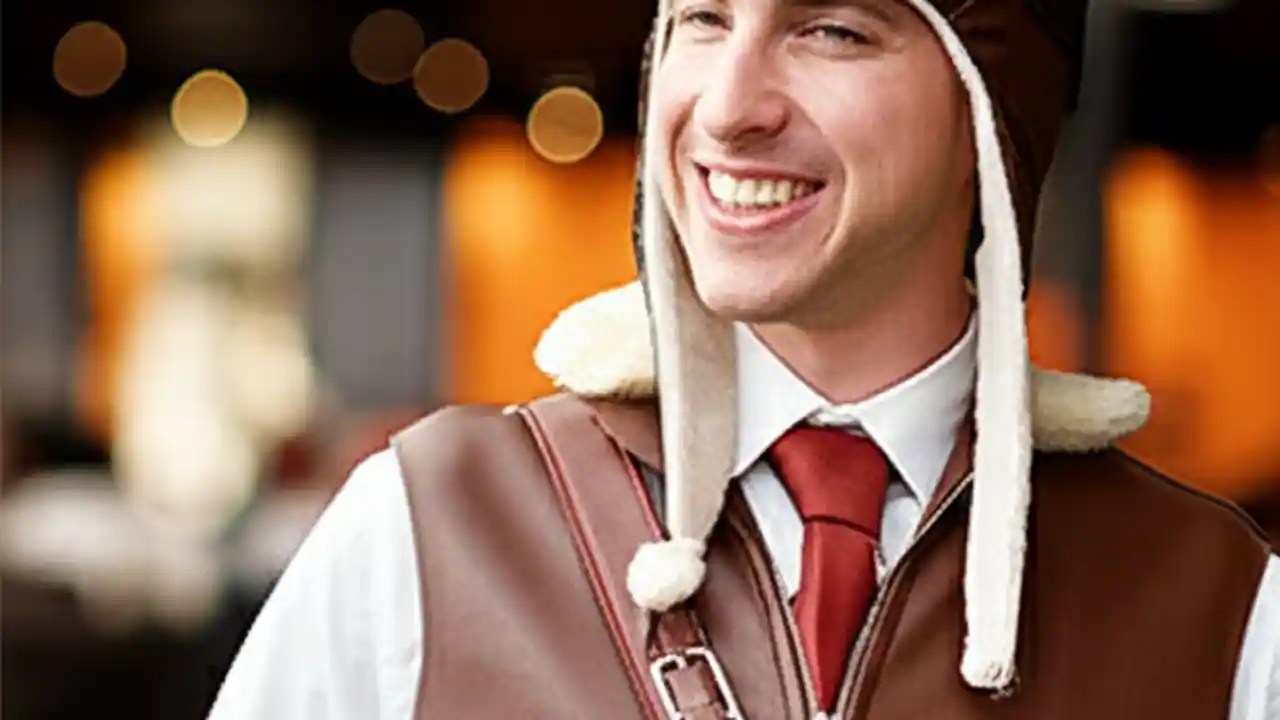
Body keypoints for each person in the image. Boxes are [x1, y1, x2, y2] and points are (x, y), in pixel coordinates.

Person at [210, 0, 1279, 717]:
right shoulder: (425, 530)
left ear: (989, 119)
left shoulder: (1216, 609)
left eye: (828, 31)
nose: (726, 107)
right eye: (704, 19)